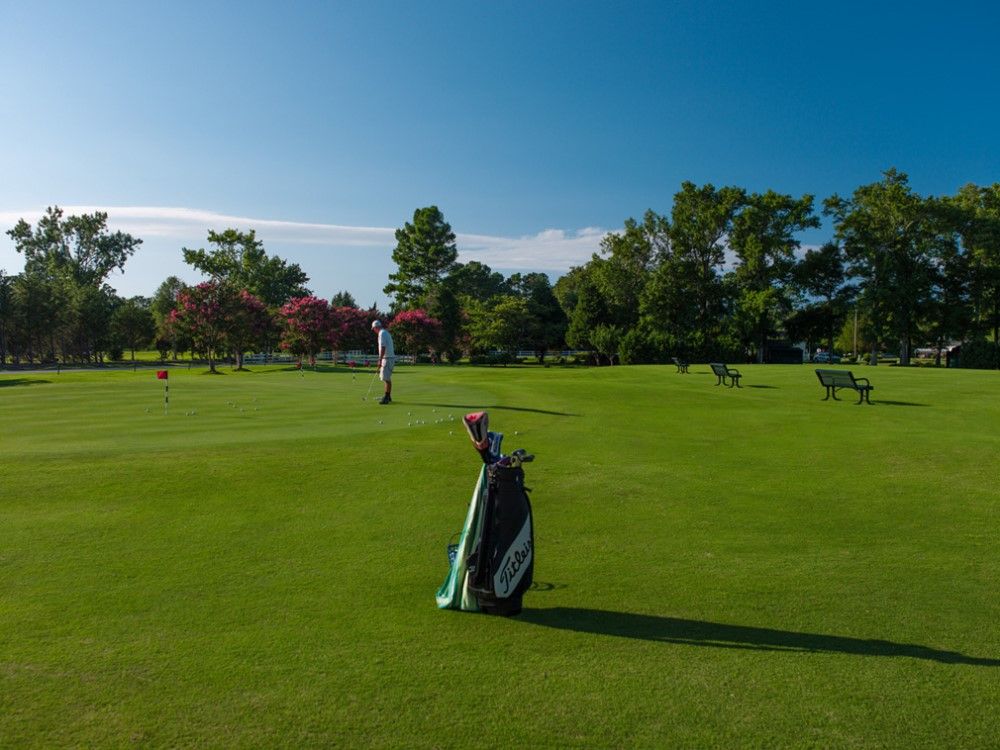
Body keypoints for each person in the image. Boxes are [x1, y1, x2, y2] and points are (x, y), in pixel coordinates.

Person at [371, 319, 395, 404]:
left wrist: (380, 360)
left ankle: (387, 397)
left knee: (386, 378)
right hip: (388, 358)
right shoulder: (385, 332)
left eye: (373, 329)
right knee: (386, 378)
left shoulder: (382, 333)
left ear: (376, 327)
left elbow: (383, 347)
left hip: (387, 358)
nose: (374, 331)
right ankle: (387, 396)